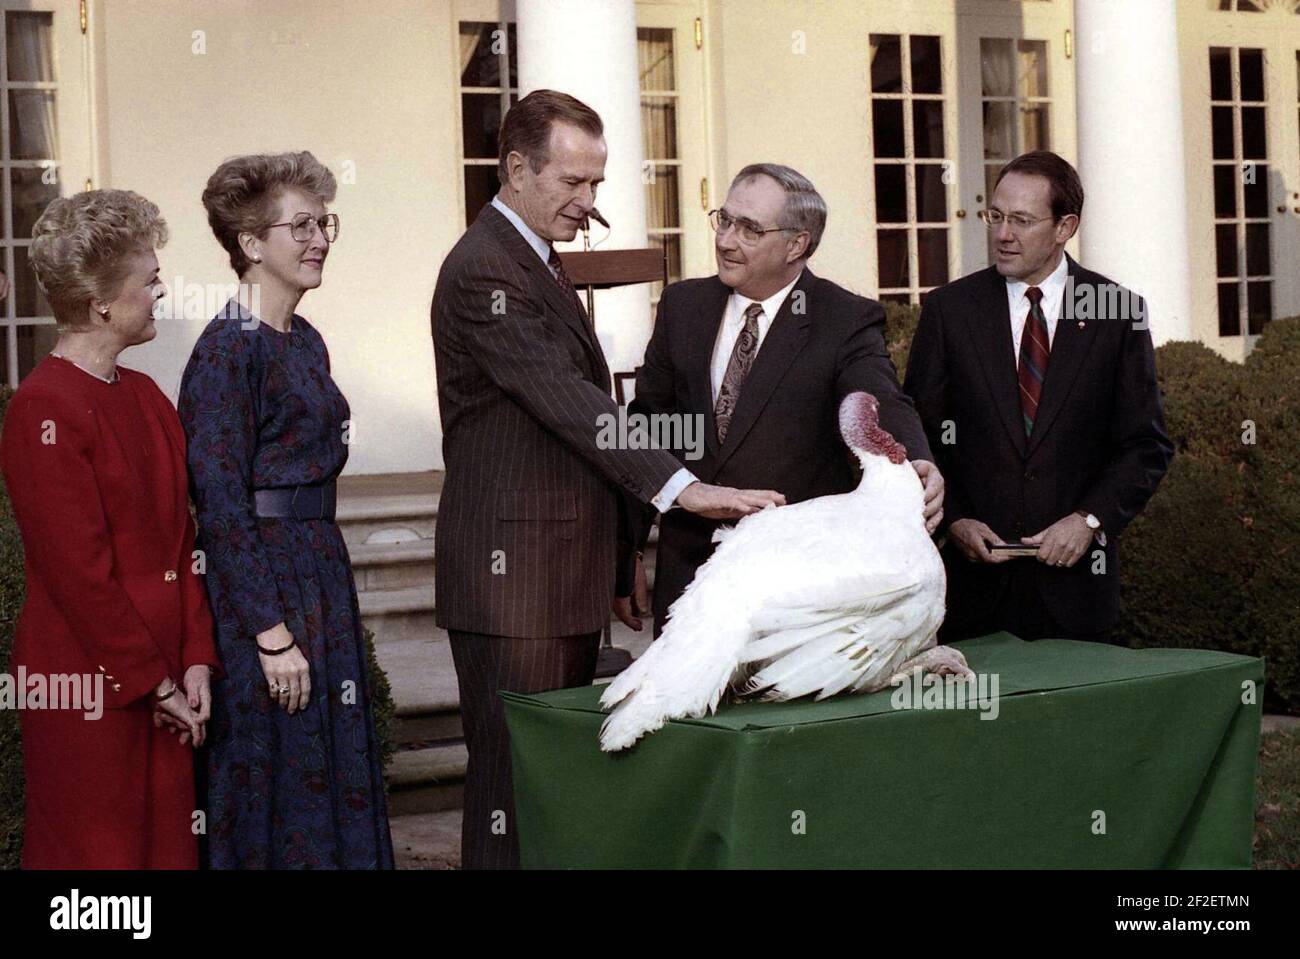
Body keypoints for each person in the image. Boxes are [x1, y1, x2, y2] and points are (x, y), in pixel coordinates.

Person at [431, 89, 785, 869]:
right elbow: (568, 400)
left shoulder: (531, 255)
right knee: (512, 791)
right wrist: (680, 487)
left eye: (596, 182)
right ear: (516, 169)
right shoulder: (485, 269)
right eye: (573, 181)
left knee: (548, 787)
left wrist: (621, 553)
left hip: (552, 573)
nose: (589, 201)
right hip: (513, 585)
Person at [179, 151, 393, 868]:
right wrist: (270, 635)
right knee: (276, 777)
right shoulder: (224, 353)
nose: (319, 239)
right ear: (249, 242)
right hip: (263, 589)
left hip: (319, 569)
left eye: (324, 223)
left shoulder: (305, 339)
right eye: (300, 226)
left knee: (330, 763)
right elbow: (219, 506)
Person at [624, 163, 943, 636]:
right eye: (724, 220)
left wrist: (913, 459)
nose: (726, 240)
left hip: (795, 588)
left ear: (797, 245)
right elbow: (647, 427)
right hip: (688, 583)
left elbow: (879, 399)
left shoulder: (844, 319)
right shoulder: (682, 307)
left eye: (749, 229)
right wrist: (629, 548)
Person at [0, 189, 218, 868]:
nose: (161, 292)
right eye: (149, 280)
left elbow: (183, 545)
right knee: (95, 864)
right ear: (100, 302)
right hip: (85, 685)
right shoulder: (42, 408)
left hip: (166, 677)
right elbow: (77, 575)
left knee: (165, 853)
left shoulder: (147, 396)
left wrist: (195, 658)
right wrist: (153, 683)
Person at [903, 151, 1174, 642]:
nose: (1003, 234)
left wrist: (1089, 520)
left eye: (1022, 220)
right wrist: (954, 520)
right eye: (996, 216)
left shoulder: (1116, 311)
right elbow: (917, 437)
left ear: (1065, 227)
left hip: (1076, 597)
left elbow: (1145, 445)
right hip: (969, 594)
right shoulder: (950, 310)